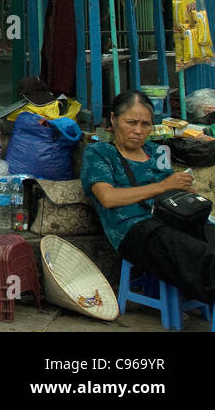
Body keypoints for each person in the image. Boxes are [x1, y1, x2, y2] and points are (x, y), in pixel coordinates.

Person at [81, 88, 215, 304]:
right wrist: (162, 186)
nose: (138, 130)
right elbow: (108, 198)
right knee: (201, 256)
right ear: (114, 119)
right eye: (131, 122)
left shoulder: (155, 151)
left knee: (209, 236)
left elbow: (169, 191)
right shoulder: (99, 153)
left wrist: (182, 190)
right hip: (133, 230)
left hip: (169, 220)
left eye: (145, 124)